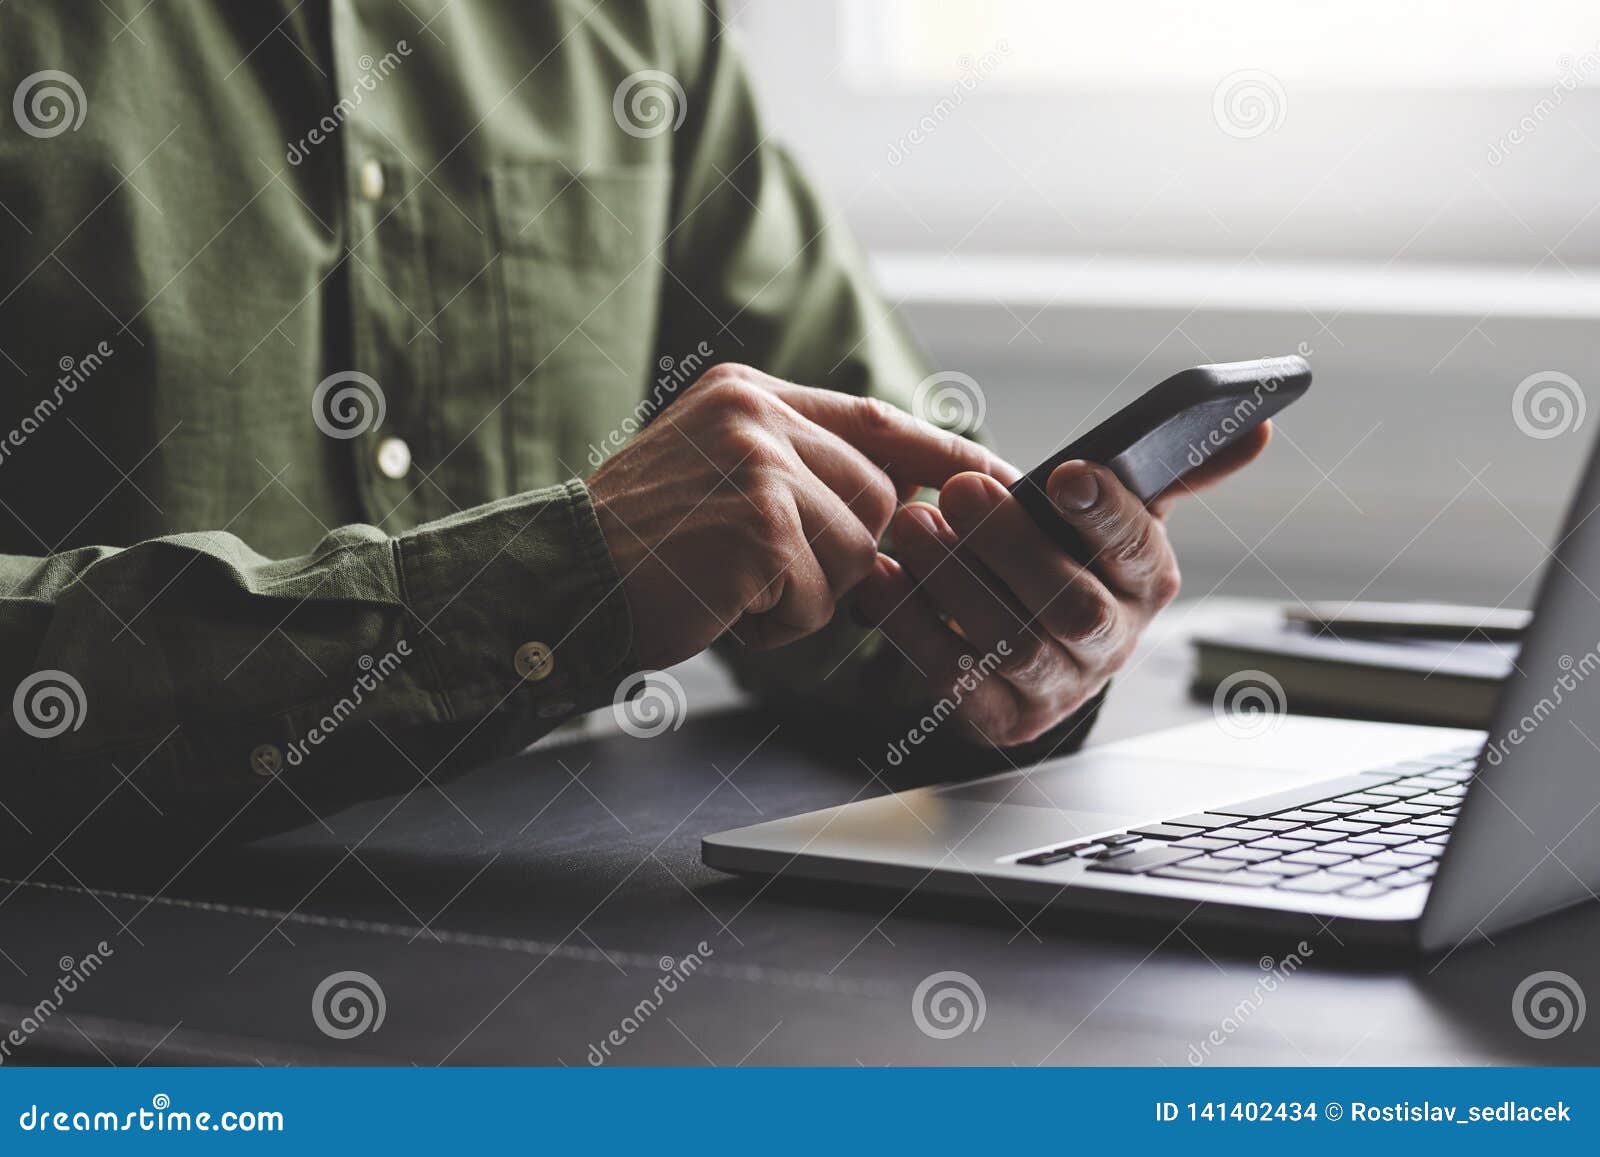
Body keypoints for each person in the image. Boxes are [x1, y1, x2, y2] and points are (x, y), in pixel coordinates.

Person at [0, 1, 1266, 845]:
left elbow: (886, 578)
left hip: (554, 957)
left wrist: (1012, 626)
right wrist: (548, 583)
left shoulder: (639, 25)